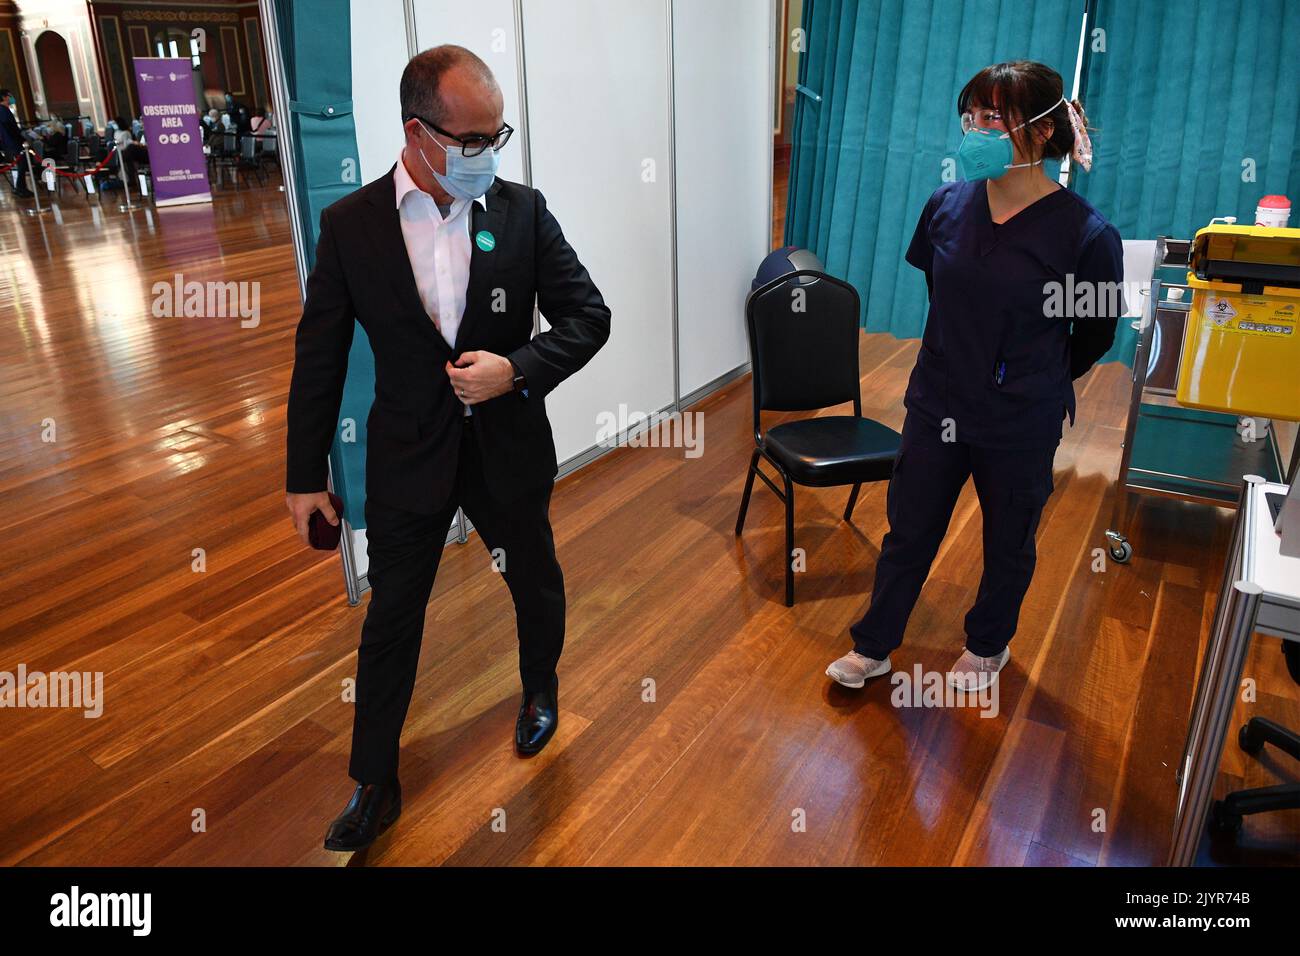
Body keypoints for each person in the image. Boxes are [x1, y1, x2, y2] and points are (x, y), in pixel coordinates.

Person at [284, 44, 610, 852]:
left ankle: (539, 690)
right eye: (472, 141)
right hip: (405, 456)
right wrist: (303, 478)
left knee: (533, 579)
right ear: (417, 133)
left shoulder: (524, 211)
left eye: (497, 138)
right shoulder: (349, 226)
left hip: (506, 447)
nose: (487, 157)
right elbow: (319, 358)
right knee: (393, 617)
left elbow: (588, 317)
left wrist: (518, 369)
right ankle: (374, 779)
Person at [826, 60, 1123, 694]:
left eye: (993, 117)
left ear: (1042, 132)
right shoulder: (946, 206)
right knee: (909, 529)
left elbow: (1094, 334)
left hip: (1021, 416)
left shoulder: (1087, 236)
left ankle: (988, 645)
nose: (976, 131)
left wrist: (1030, 377)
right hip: (938, 401)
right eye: (971, 116)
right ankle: (874, 644)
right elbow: (943, 289)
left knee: (1007, 539)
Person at [0, 88, 33, 197]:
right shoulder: (3, 110)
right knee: (22, 164)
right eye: (9, 96)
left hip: (10, 142)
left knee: (21, 165)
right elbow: (9, 127)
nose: (11, 98)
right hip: (13, 143)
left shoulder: (4, 110)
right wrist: (20, 137)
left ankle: (20, 187)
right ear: (4, 97)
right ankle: (20, 188)